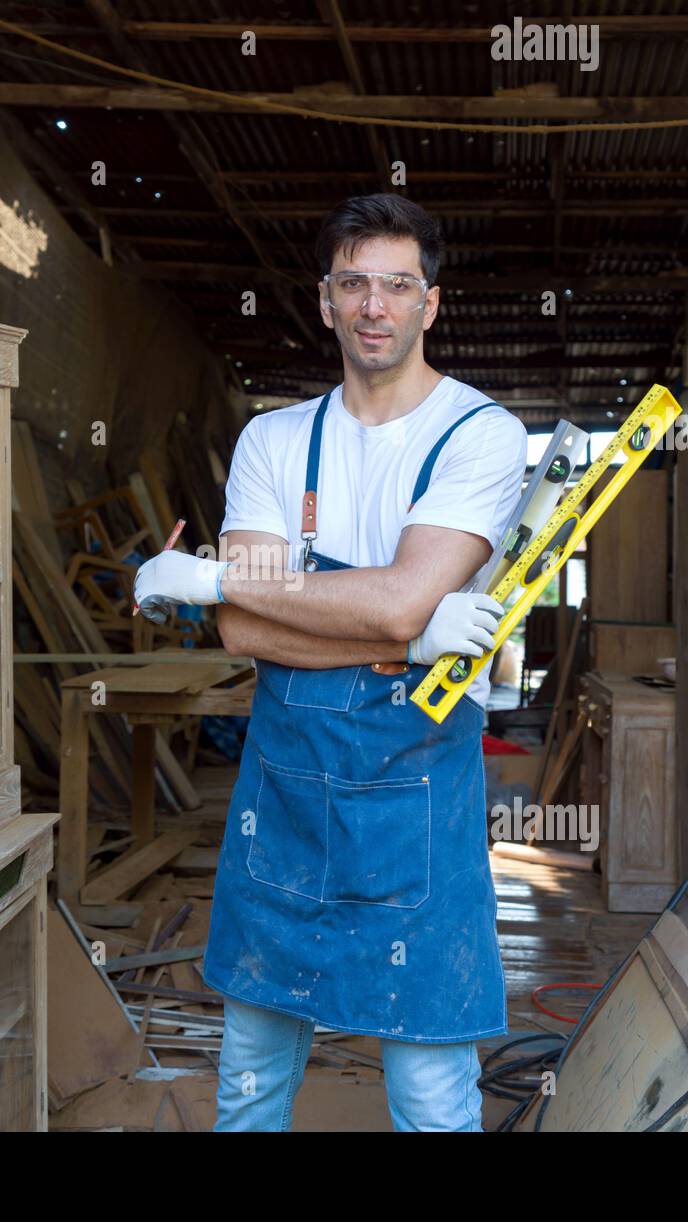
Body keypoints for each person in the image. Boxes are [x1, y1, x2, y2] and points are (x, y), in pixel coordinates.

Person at [133, 193, 529, 1131]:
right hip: (288, 794)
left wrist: (212, 578)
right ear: (325, 300)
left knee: (431, 1097)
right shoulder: (275, 440)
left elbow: (389, 598)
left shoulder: (480, 434)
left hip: (417, 799)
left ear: (431, 304)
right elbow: (242, 632)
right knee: (250, 1079)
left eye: (398, 285)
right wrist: (403, 632)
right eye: (354, 283)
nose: (375, 306)